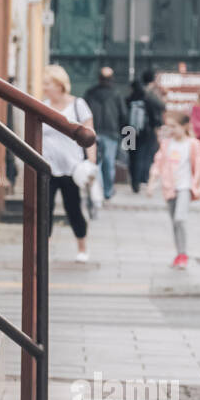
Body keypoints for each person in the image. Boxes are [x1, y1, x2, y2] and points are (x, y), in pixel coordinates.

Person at [41, 64, 98, 262]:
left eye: (47, 83)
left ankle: (82, 247)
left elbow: (90, 135)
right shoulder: (43, 106)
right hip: (47, 167)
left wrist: (91, 162)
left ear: (59, 85)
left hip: (72, 168)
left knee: (72, 208)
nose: (44, 87)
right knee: (44, 210)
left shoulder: (78, 105)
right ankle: (43, 250)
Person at [147, 111, 200, 268]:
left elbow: (199, 166)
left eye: (174, 126)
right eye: (169, 126)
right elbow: (158, 163)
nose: (171, 129)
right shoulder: (167, 144)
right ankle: (179, 254)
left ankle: (183, 255)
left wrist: (197, 184)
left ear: (184, 126)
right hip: (169, 188)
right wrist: (152, 183)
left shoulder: (192, 144)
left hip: (185, 187)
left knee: (180, 219)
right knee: (174, 223)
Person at [84, 65, 125, 201]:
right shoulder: (117, 94)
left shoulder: (90, 93)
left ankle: (100, 190)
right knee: (109, 163)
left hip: (93, 132)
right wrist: (124, 132)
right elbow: (124, 115)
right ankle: (108, 191)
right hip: (111, 133)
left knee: (96, 162)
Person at [125, 70, 164, 192]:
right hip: (144, 131)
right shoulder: (147, 96)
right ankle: (140, 180)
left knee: (132, 155)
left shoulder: (129, 98)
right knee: (142, 155)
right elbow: (160, 108)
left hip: (129, 131)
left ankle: (133, 181)